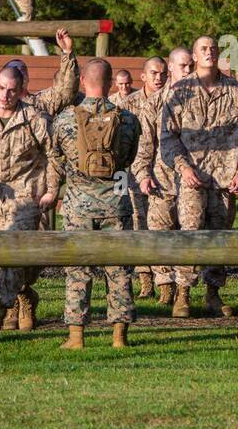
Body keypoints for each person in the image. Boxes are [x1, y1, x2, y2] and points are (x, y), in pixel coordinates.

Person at [48, 59, 141, 349]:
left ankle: (76, 338)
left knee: (78, 270)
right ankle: (119, 337)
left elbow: (56, 158)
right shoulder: (128, 120)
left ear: (82, 82)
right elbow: (130, 159)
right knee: (120, 270)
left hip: (78, 205)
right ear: (112, 83)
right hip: (118, 202)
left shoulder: (64, 120)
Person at [159, 35, 238, 318]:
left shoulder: (236, 90)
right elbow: (167, 136)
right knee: (190, 234)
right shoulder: (179, 90)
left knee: (219, 237)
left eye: (213, 48)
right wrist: (183, 168)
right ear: (195, 55)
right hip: (193, 175)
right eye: (204, 49)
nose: (209, 52)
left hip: (225, 178)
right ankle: (183, 294)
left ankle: (213, 294)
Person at [0, 67, 60, 342]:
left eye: (12, 90)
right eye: (2, 88)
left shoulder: (35, 119)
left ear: (21, 91)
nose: (6, 95)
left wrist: (52, 189)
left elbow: (55, 155)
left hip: (27, 199)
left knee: (11, 256)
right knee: (6, 260)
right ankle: (24, 295)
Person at [131, 47, 193, 308]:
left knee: (190, 236)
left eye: (191, 66)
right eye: (183, 66)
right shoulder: (155, 103)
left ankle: (184, 292)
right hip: (162, 179)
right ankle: (165, 287)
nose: (188, 71)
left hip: (194, 180)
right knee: (159, 234)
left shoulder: (198, 97)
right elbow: (145, 144)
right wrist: (143, 174)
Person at [120, 56, 167, 297]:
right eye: (154, 73)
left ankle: (165, 282)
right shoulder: (129, 104)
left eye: (162, 73)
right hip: (135, 174)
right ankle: (145, 279)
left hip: (165, 174)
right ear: (143, 76)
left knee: (164, 225)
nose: (159, 78)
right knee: (139, 222)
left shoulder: (172, 100)